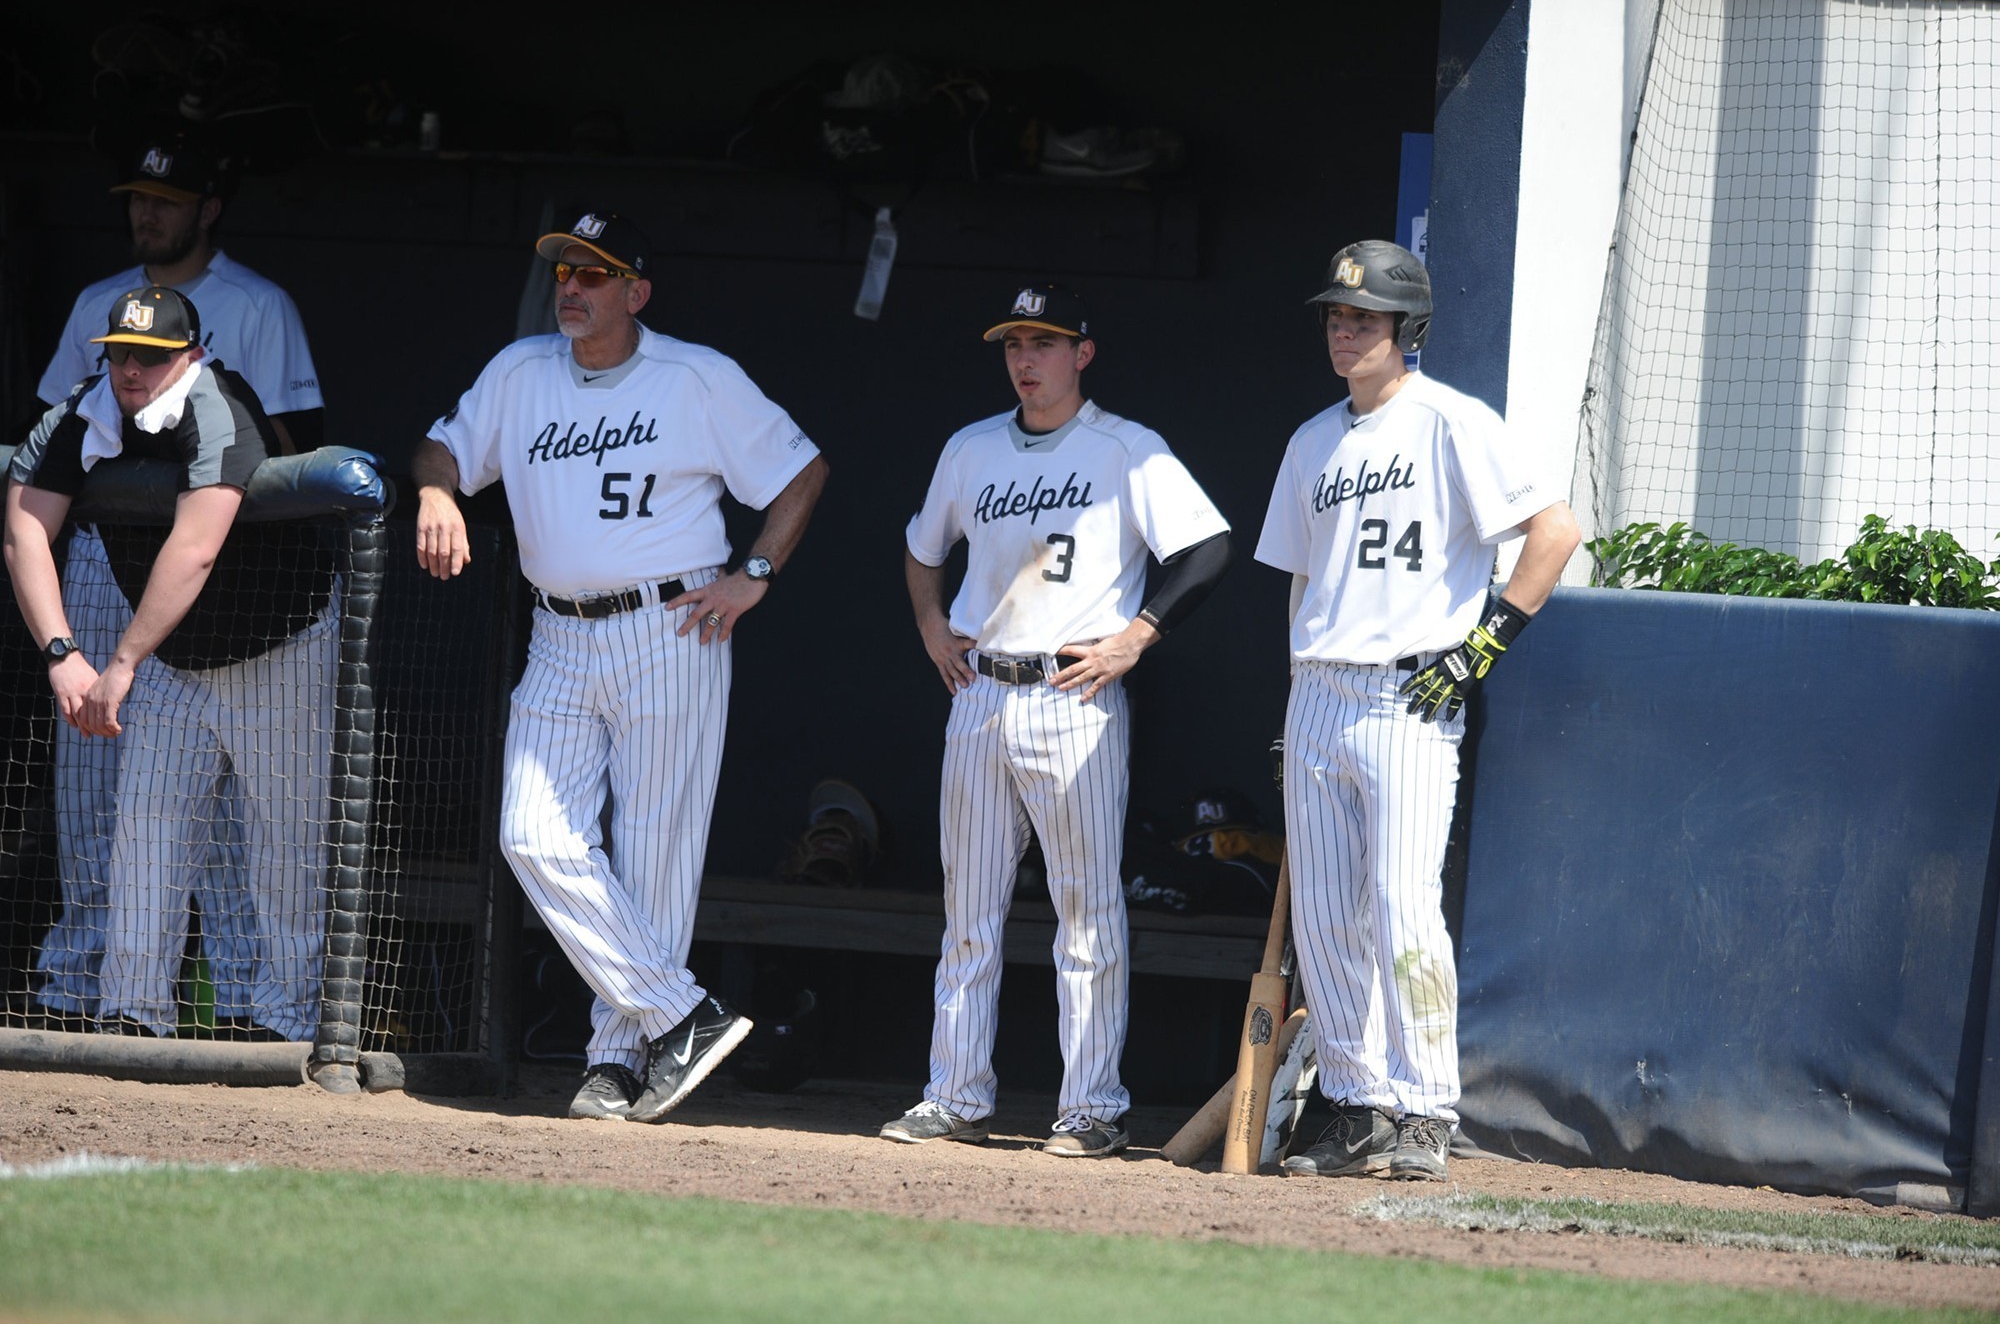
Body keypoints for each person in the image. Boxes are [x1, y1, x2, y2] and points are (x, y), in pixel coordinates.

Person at [413, 211, 828, 1123]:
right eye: (566, 269)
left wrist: (753, 573)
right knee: (531, 832)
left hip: (669, 625)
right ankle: (682, 1013)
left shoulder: (695, 376)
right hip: (557, 631)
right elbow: (443, 442)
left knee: (653, 855)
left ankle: (616, 1061)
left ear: (635, 293)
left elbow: (801, 469)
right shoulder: (521, 370)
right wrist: (438, 490)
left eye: (595, 274)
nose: (573, 286)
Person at [1254, 240, 1580, 1181]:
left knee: (1403, 906)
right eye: (1335, 315)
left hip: (1411, 690)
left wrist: (1484, 644)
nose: (1344, 328)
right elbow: (1301, 585)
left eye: (1363, 316)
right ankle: (1357, 1102)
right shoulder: (1311, 440)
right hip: (1321, 688)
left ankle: (1427, 1106)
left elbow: (1554, 531)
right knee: (1322, 916)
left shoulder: (1450, 421)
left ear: (1409, 328)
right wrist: (1291, 703)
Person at [886, 283, 1230, 1157]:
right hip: (983, 691)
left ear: (1083, 352)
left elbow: (1208, 545)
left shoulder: (1125, 448)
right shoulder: (970, 448)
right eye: (1014, 344)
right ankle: (954, 1095)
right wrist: (931, 627)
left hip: (1074, 692)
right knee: (969, 908)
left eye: (1044, 343)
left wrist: (1138, 636)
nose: (1026, 360)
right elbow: (923, 549)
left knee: (1087, 911)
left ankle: (1090, 1108)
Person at [27, 133, 326, 1035]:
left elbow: (198, 547)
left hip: (275, 632)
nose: (130, 370)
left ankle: (276, 1023)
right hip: (168, 644)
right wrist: (64, 652)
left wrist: (115, 661)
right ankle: (128, 1011)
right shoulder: (89, 407)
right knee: (142, 825)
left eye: (149, 357)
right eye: (119, 353)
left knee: (282, 848)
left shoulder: (221, 402)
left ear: (189, 356)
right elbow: (24, 520)